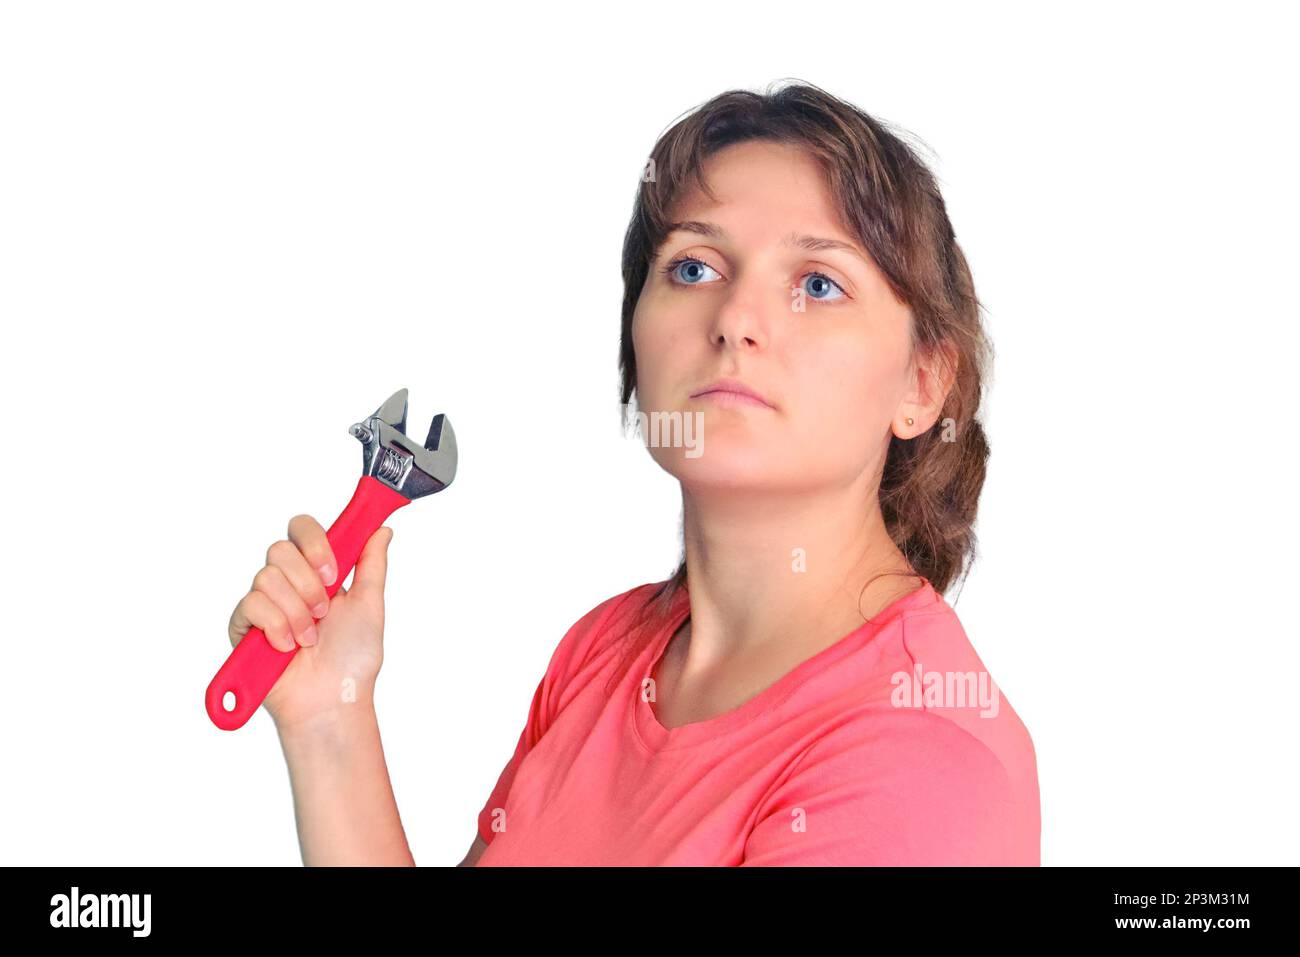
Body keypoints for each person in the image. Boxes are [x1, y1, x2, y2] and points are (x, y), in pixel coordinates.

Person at [227, 80, 1040, 866]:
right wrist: (329, 720)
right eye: (693, 268)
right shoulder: (607, 651)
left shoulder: (922, 756)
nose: (735, 320)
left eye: (818, 284)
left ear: (923, 383)